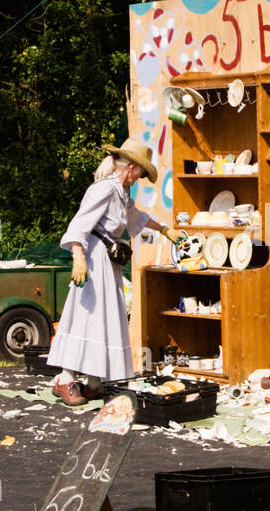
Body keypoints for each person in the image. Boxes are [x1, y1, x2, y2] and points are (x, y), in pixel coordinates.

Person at [49, 137, 183, 406]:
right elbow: (80, 223)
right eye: (140, 175)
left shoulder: (121, 192)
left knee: (106, 317)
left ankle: (95, 383)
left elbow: (136, 216)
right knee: (87, 314)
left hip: (108, 259)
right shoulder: (104, 189)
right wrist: (78, 257)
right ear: (131, 168)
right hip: (93, 257)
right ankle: (64, 379)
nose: (138, 180)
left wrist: (165, 230)